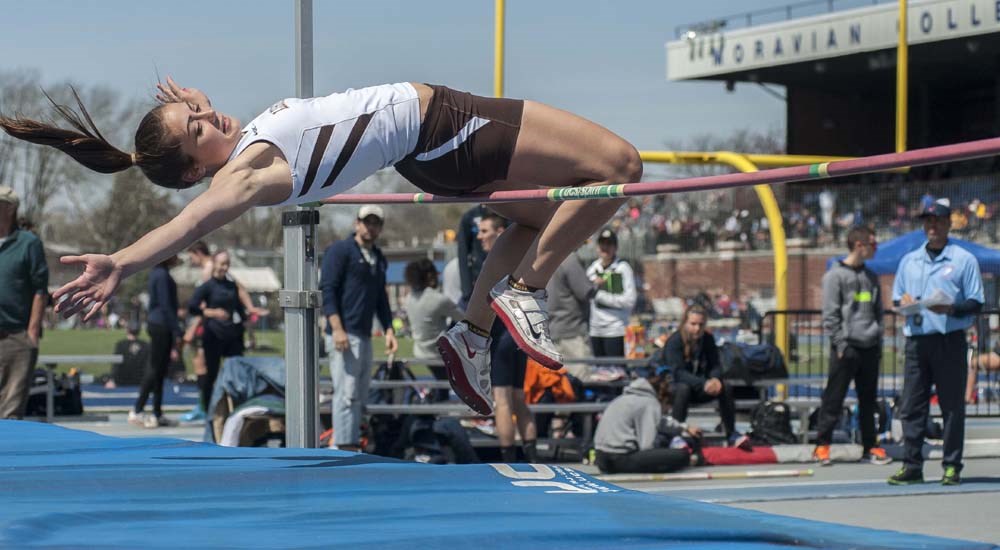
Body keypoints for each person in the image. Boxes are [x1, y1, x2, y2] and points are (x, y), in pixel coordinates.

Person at [3, 78, 641, 417]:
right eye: (196, 128)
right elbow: (188, 225)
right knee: (619, 165)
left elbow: (204, 133)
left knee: (541, 218)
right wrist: (121, 261)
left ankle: (473, 332)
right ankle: (525, 290)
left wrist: (187, 107)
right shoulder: (244, 175)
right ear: (195, 171)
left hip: (428, 156)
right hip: (444, 123)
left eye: (198, 111)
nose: (207, 115)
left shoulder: (243, 139)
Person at [888, 200, 984, 486]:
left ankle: (952, 465)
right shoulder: (910, 260)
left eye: (938, 221)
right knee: (912, 405)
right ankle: (912, 465)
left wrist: (952, 309)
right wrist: (902, 302)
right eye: (927, 221)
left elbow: (976, 302)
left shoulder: (963, 259)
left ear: (948, 223)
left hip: (949, 339)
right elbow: (897, 297)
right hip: (917, 340)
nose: (932, 226)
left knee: (952, 405)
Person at [321, 205, 397, 451]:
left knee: (359, 395)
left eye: (376, 223)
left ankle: (352, 442)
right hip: (345, 332)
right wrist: (337, 328)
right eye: (367, 221)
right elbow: (328, 290)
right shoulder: (340, 251)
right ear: (357, 223)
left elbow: (380, 299)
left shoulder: (377, 256)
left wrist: (388, 329)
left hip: (363, 333)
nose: (371, 227)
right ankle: (342, 445)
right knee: (346, 393)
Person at [813, 226, 891, 466]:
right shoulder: (835, 276)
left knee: (868, 400)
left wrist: (877, 337)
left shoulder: (871, 277)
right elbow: (831, 314)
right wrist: (840, 344)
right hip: (846, 348)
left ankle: (870, 446)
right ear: (859, 245)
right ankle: (822, 445)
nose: (876, 248)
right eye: (873, 243)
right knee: (833, 399)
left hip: (869, 346)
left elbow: (878, 312)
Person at [478, 212, 538, 463]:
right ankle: (532, 457)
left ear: (501, 232)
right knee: (517, 398)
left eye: (485, 232)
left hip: (503, 335)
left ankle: (508, 459)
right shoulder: (523, 259)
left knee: (502, 399)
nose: (480, 237)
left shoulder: (497, 261)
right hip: (518, 335)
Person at [653, 305, 750, 449]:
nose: (697, 329)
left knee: (726, 387)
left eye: (700, 324)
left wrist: (715, 379)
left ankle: (731, 434)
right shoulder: (675, 341)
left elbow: (715, 365)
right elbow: (678, 373)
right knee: (683, 388)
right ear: (685, 322)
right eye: (693, 324)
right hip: (678, 388)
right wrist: (704, 383)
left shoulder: (708, 339)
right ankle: (676, 436)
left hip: (701, 387)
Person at [593, 366, 703, 474]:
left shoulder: (625, 397)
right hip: (619, 458)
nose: (666, 411)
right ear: (664, 399)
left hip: (601, 458)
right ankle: (693, 460)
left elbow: (661, 421)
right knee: (681, 455)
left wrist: (685, 428)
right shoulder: (650, 404)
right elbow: (646, 446)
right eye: (667, 407)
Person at [0, 186, 48, 419]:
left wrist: (32, 332)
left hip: (17, 335)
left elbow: (40, 289)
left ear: (9, 208)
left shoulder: (28, 243)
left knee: (11, 410)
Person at [185, 250, 247, 415]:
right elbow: (192, 306)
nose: (224, 267)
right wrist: (212, 312)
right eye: (221, 264)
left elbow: (239, 310)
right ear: (214, 264)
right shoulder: (207, 286)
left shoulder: (231, 285)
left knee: (236, 371)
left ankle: (236, 407)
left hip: (231, 335)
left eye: (227, 264)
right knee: (211, 373)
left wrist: (246, 329)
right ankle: (208, 409)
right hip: (213, 334)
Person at [130, 255, 184, 428]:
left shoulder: (160, 273)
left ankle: (157, 412)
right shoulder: (161, 275)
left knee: (160, 370)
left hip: (161, 323)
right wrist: (176, 329)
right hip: (161, 324)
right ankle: (137, 409)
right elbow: (165, 305)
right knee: (154, 368)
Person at [403, 258, 463, 400]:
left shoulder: (409, 298)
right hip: (438, 354)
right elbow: (463, 318)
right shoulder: (438, 299)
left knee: (441, 385)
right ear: (430, 276)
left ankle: (434, 401)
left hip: (420, 352)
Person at [586, 227, 637, 375]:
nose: (605, 248)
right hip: (595, 329)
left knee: (617, 373)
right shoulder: (592, 269)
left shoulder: (623, 268)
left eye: (609, 244)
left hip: (615, 329)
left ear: (615, 247)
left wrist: (599, 295)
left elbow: (629, 300)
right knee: (600, 373)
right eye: (602, 244)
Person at [545, 248, 595, 380]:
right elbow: (585, 292)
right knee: (580, 382)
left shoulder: (545, 258)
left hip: (551, 331)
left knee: (561, 385)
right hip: (572, 333)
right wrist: (596, 284)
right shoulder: (568, 258)